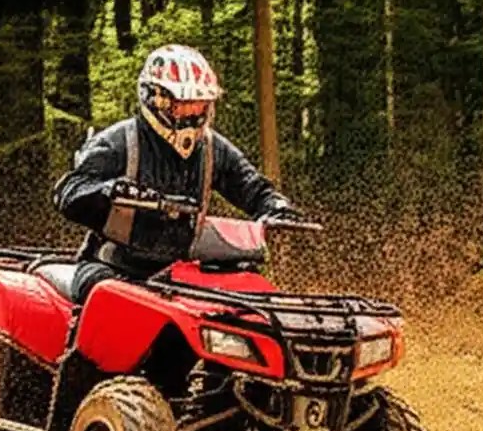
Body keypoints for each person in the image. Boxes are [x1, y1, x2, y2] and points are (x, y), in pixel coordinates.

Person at [53, 44, 304, 302]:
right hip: (112, 265)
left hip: (182, 271)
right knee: (112, 299)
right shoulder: (118, 142)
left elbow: (252, 187)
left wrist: (275, 207)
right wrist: (108, 191)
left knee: (249, 295)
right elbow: (68, 191)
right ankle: (83, 344)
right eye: (184, 105)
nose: (194, 114)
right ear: (156, 99)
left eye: (200, 104)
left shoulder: (211, 148)